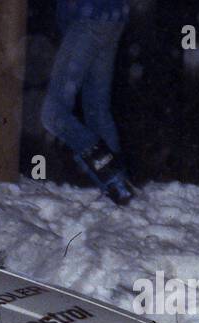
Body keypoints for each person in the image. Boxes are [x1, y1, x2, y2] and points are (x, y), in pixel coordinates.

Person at [40, 0, 134, 205]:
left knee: (53, 114)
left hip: (88, 17)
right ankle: (120, 185)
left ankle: (110, 173)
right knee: (97, 110)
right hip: (112, 18)